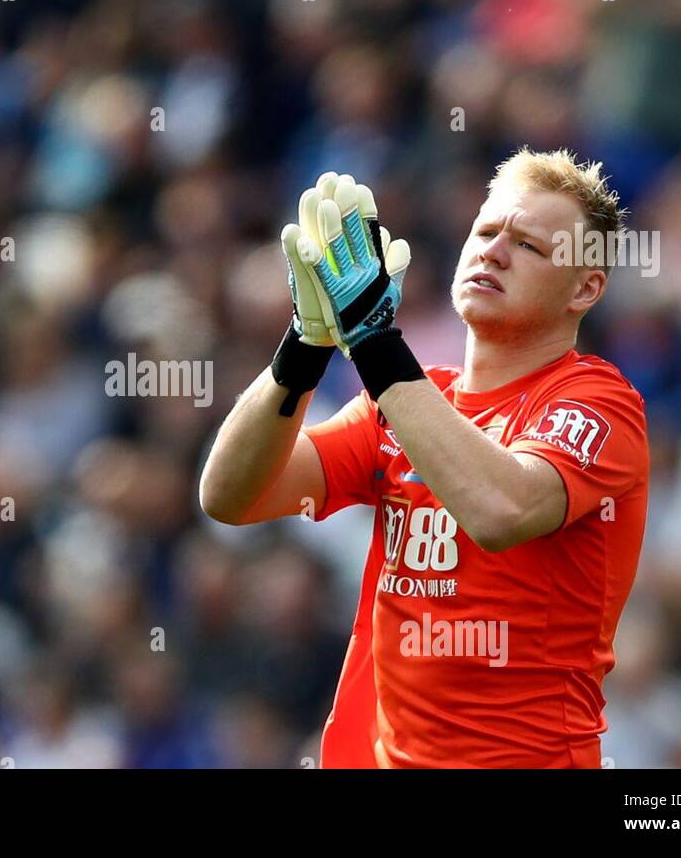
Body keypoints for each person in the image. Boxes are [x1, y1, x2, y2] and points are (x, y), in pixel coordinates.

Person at [199, 148, 649, 768]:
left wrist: (375, 341)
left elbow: (500, 509)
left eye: (529, 246)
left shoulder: (601, 403)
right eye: (486, 231)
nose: (493, 251)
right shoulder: (406, 401)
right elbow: (230, 496)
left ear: (586, 288)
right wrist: (307, 342)